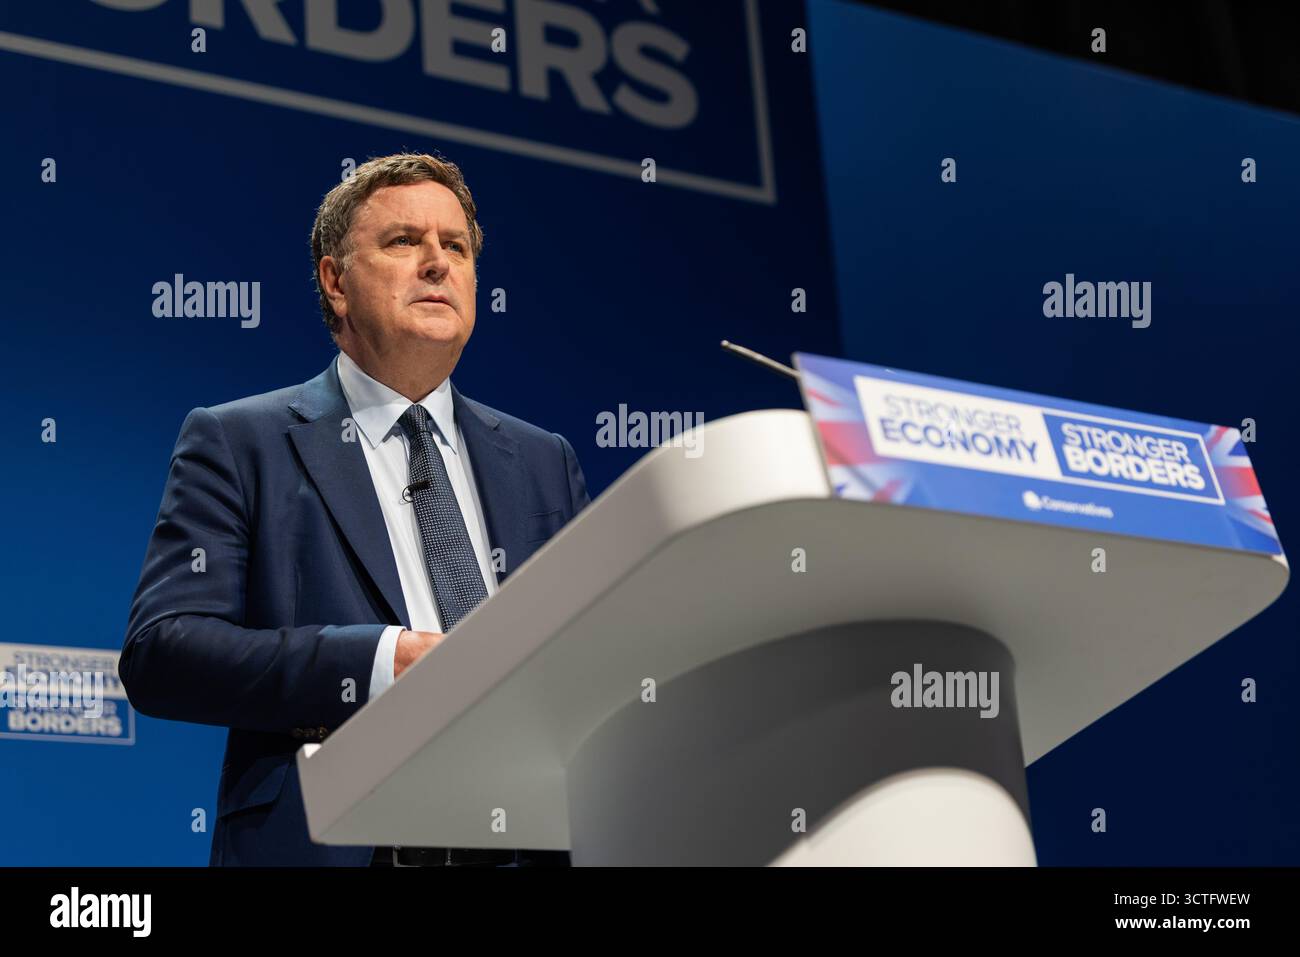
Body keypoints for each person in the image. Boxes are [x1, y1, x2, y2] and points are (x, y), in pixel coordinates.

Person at [120, 152, 588, 867]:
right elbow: (164, 652)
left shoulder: (543, 460)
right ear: (336, 282)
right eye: (405, 242)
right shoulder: (243, 442)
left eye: (455, 247)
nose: (437, 262)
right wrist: (376, 662)